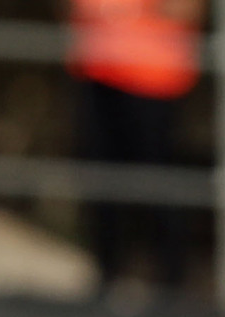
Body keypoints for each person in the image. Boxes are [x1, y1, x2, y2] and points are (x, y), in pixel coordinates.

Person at [66, 0, 206, 298]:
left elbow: (185, 9)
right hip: (98, 69)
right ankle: (106, 281)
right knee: (101, 181)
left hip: (153, 77)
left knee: (156, 182)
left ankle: (172, 287)